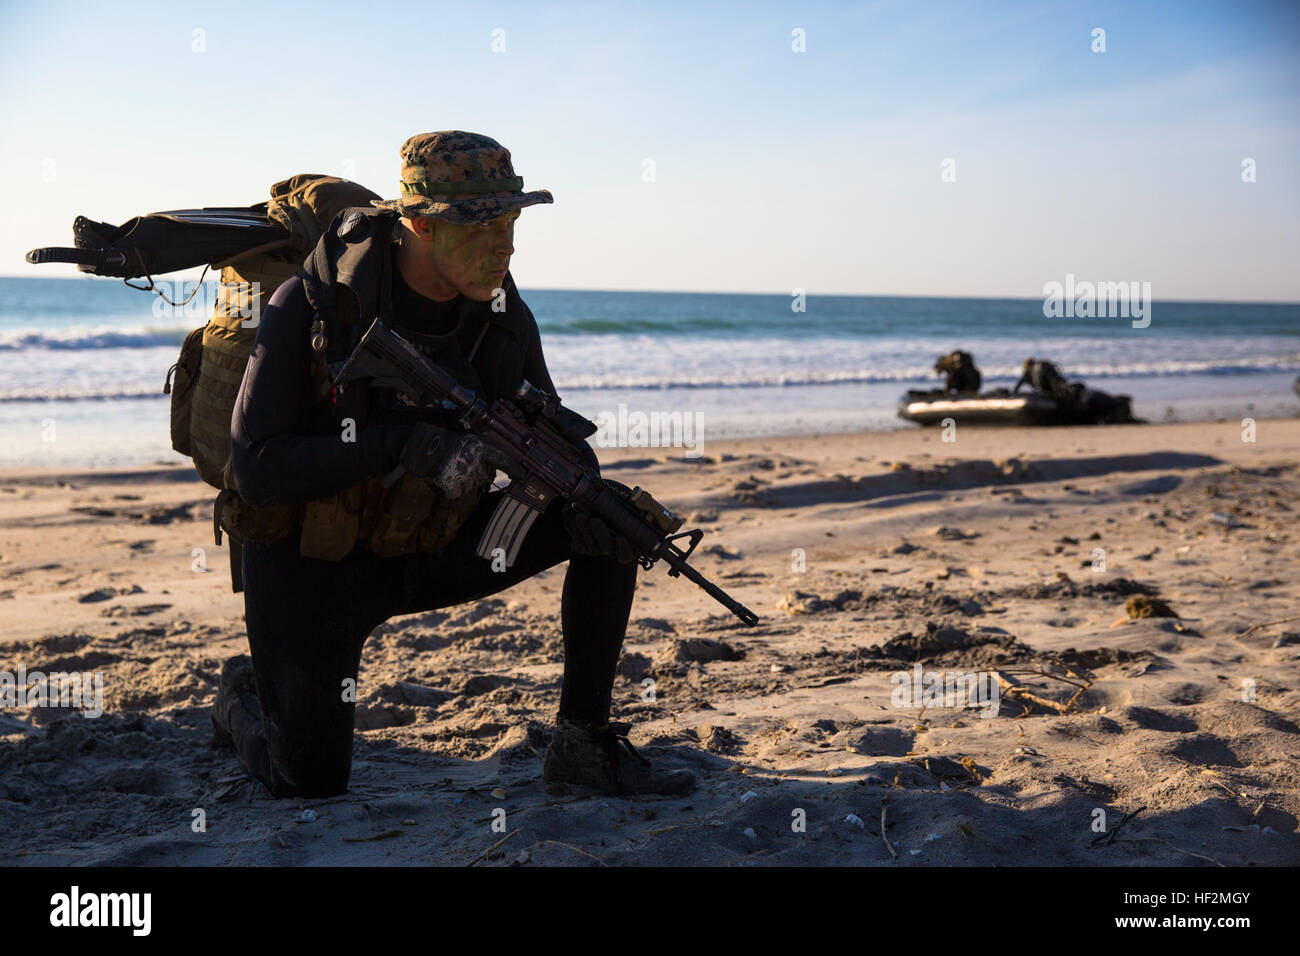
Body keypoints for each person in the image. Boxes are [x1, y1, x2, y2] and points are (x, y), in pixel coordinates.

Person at [212, 131, 696, 799]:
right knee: (308, 783)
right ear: (419, 224)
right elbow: (256, 468)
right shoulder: (316, 304)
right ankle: (238, 697)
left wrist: (563, 471)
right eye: (483, 225)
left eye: (512, 223)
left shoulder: (501, 316)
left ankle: (583, 743)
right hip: (312, 567)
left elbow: (555, 438)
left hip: (428, 546)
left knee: (608, 517)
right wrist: (399, 446)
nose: (506, 245)